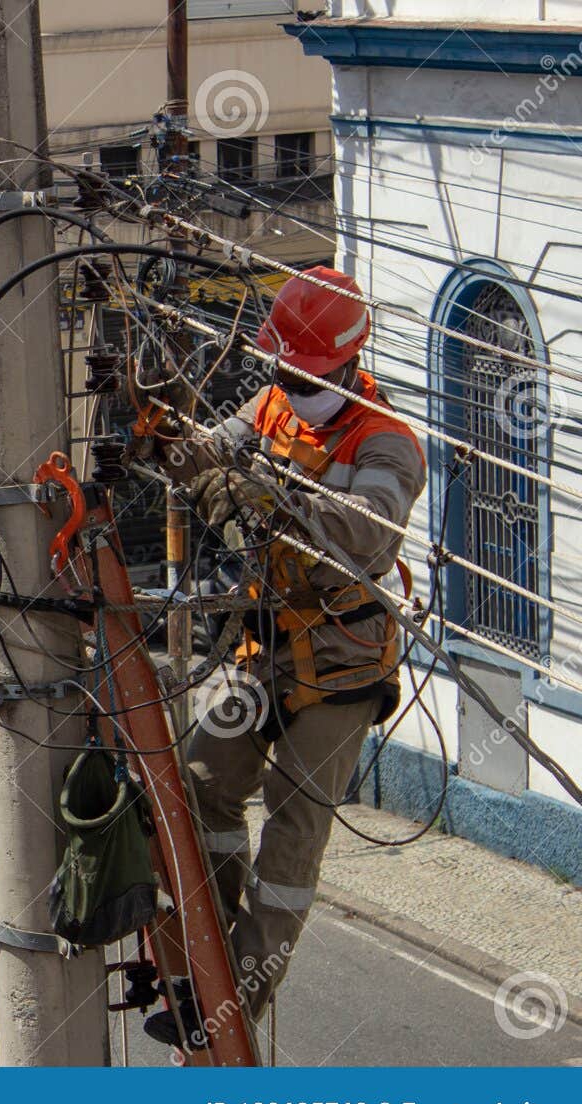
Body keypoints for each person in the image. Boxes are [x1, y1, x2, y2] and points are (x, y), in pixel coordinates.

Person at [139, 267, 425, 1050]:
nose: (287, 384)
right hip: (264, 644)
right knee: (203, 780)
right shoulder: (269, 404)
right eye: (281, 369)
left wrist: (264, 492)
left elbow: (363, 535)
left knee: (292, 839)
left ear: (343, 364)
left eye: (301, 372)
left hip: (340, 664)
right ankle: (212, 949)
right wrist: (166, 443)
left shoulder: (386, 443)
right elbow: (209, 452)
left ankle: (236, 1002)